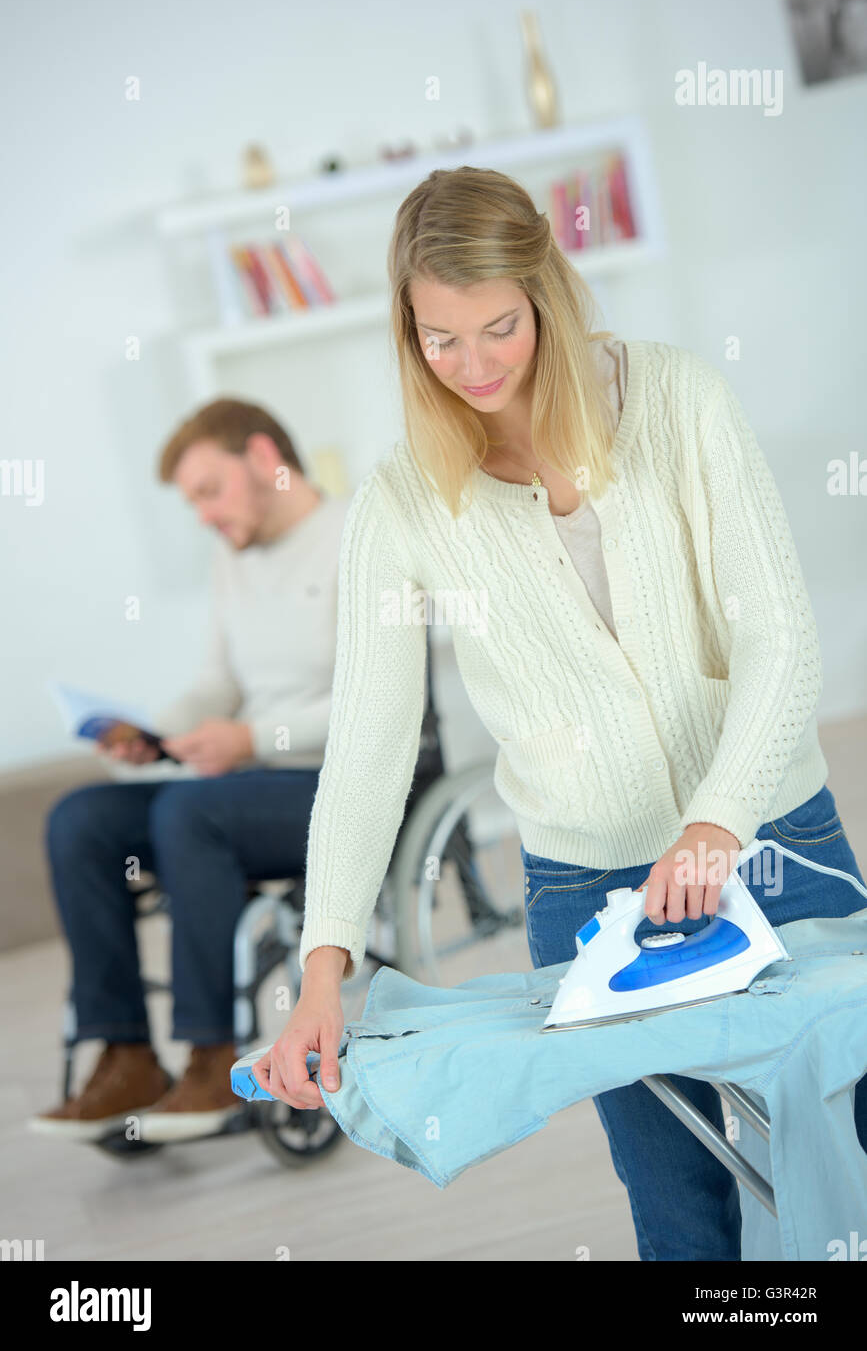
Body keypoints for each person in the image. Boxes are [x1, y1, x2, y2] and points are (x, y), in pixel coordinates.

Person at [251, 166, 867, 1261]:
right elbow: (369, 750)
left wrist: (719, 818)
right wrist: (321, 971)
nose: (476, 365)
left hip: (775, 839)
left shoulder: (680, 400)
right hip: (591, 885)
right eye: (440, 339)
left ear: (544, 293)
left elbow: (783, 640)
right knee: (679, 1206)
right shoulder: (403, 502)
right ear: (405, 329)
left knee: (857, 1136)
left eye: (497, 327)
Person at [30, 399, 350, 1143]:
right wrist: (156, 733)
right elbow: (216, 682)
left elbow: (380, 703)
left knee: (190, 813)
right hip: (248, 777)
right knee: (78, 818)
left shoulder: (354, 537)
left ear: (265, 456)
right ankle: (126, 1055)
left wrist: (251, 739)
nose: (204, 515)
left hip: (335, 779)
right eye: (192, 501)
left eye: (210, 490)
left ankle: (215, 1059)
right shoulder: (233, 559)